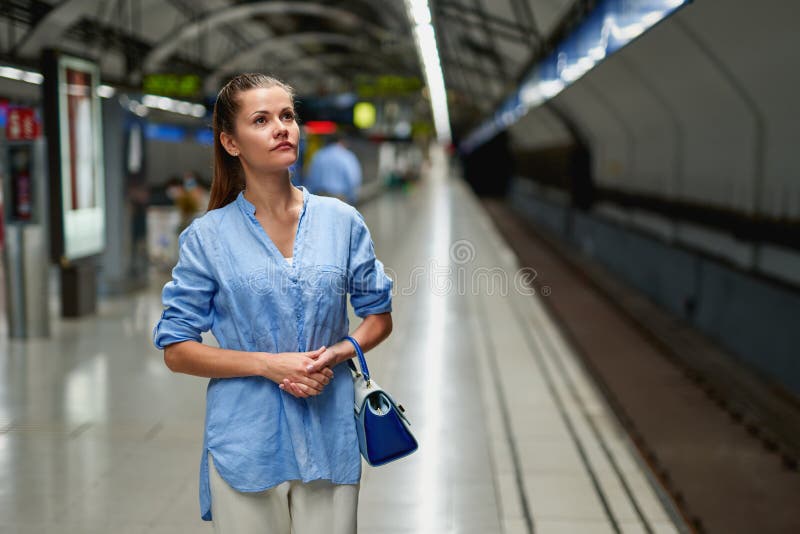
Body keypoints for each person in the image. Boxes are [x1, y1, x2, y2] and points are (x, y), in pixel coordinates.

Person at [152, 73, 394, 534]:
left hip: (329, 434)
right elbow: (177, 349)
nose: (282, 128)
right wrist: (269, 365)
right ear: (231, 142)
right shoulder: (208, 238)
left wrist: (338, 352)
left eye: (287, 116)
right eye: (261, 120)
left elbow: (378, 316)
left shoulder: (342, 223)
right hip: (246, 442)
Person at [304, 133, 362, 204]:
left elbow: (312, 179)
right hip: (340, 198)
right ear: (341, 142)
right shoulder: (347, 156)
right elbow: (353, 179)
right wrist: (352, 197)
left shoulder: (319, 155)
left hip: (320, 198)